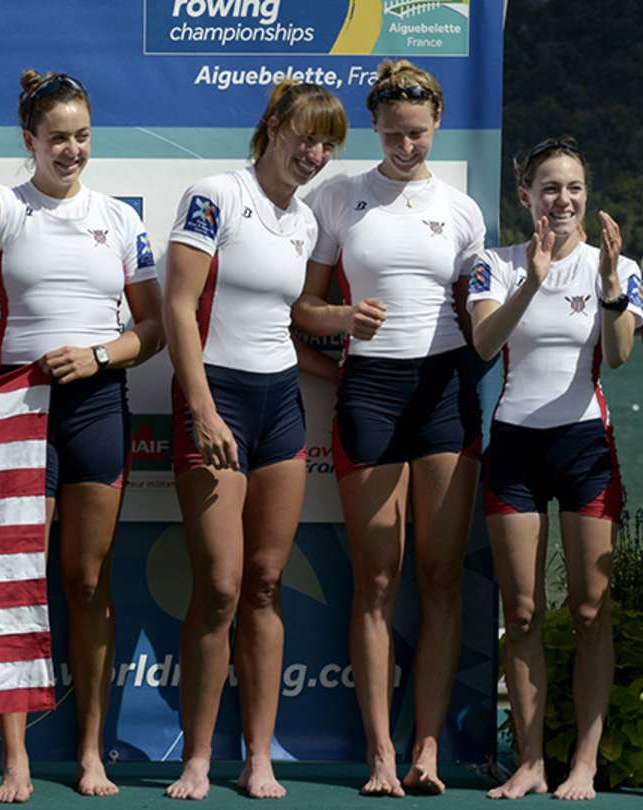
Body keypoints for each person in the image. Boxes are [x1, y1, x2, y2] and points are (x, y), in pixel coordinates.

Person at [0, 51, 165, 801]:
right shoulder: (3, 206)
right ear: (29, 138)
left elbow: (152, 329)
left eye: (82, 136)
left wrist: (99, 354)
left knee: (86, 581)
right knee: (17, 584)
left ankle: (90, 753)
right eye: (58, 137)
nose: (73, 150)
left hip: (96, 407)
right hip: (17, 412)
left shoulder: (120, 219)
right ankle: (12, 757)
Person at [291, 59, 486, 796]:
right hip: (369, 391)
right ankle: (379, 755)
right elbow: (302, 310)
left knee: (440, 578)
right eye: (395, 134)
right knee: (376, 579)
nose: (408, 146)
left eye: (420, 134)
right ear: (374, 126)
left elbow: (482, 316)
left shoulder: (463, 210)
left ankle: (426, 748)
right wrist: (343, 326)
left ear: (436, 125)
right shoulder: (339, 197)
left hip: (445, 390)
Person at [161, 80, 346, 801]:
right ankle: (199, 757)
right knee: (221, 587)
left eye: (328, 142)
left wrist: (340, 326)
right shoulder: (215, 194)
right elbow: (179, 306)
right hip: (217, 397)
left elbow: (292, 313)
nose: (316, 152)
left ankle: (258, 757)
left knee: (267, 585)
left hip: (281, 407)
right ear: (273, 125)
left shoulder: (302, 220)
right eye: (306, 135)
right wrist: (203, 409)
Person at [468, 138, 638, 801]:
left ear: (586, 197)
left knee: (592, 610)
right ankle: (531, 761)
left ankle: (586, 764)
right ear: (525, 196)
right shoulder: (497, 264)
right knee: (525, 611)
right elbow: (484, 343)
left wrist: (611, 291)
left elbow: (619, 357)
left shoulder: (617, 267)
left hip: (585, 449)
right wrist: (532, 280)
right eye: (548, 187)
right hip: (513, 447)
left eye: (573, 188)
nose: (561, 199)